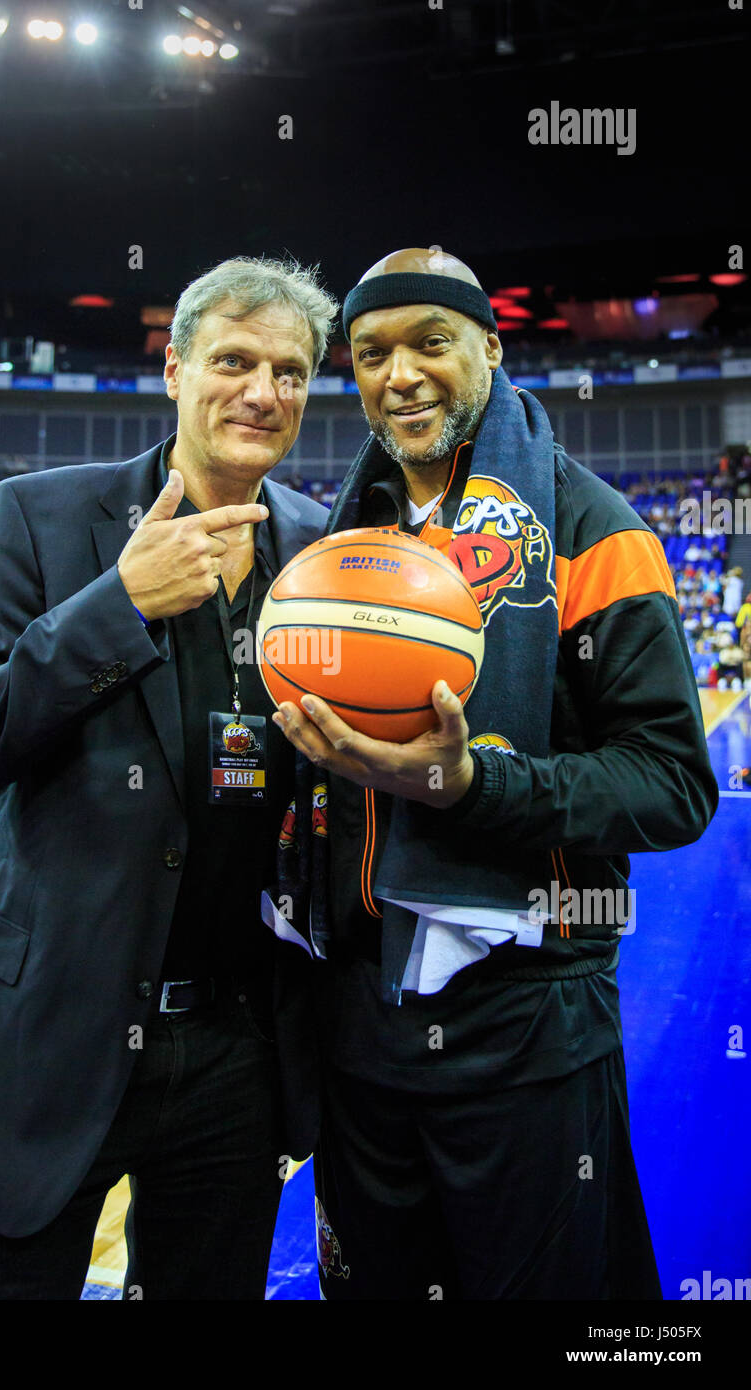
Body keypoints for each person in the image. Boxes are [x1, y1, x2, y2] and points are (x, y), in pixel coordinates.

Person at [272, 247, 718, 1300]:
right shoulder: (340, 547)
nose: (401, 375)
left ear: (490, 346)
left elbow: (670, 784)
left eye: (431, 342)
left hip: (529, 1013)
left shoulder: (593, 531)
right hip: (360, 1015)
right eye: (371, 353)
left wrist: (473, 786)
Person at [0, 256, 338, 1300]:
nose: (262, 391)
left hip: (236, 1051)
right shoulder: (38, 518)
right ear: (175, 367)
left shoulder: (328, 556)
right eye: (233, 360)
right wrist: (117, 604)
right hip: (48, 1027)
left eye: (289, 370)